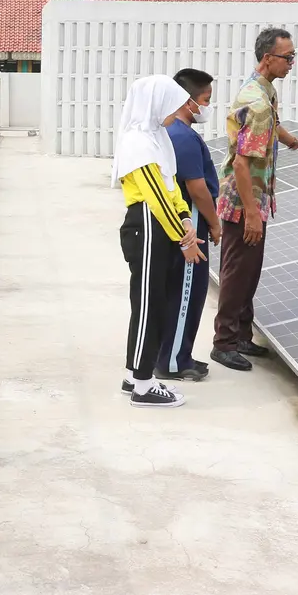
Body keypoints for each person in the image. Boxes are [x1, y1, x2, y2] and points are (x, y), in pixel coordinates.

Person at [211, 28, 298, 372]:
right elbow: (240, 162)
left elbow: (272, 126)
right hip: (243, 200)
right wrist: (251, 214)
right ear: (269, 59)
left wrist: (290, 140)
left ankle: (241, 336)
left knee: (249, 271)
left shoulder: (265, 93)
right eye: (288, 57)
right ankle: (223, 342)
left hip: (255, 197)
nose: (292, 63)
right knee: (238, 271)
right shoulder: (258, 102)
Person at [114, 75, 206, 408]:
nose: (179, 111)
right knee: (149, 305)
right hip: (149, 227)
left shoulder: (156, 138)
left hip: (161, 225)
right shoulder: (138, 142)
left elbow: (171, 190)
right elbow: (155, 197)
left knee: (152, 303)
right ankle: (142, 384)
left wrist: (185, 217)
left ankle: (133, 376)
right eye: (174, 104)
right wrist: (186, 241)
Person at [155, 69, 222, 382]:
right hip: (191, 221)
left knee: (178, 293)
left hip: (182, 223)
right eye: (205, 100)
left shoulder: (169, 131)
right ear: (188, 101)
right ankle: (172, 362)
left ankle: (175, 354)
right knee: (186, 293)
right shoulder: (182, 136)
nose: (207, 107)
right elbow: (196, 188)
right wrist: (215, 223)